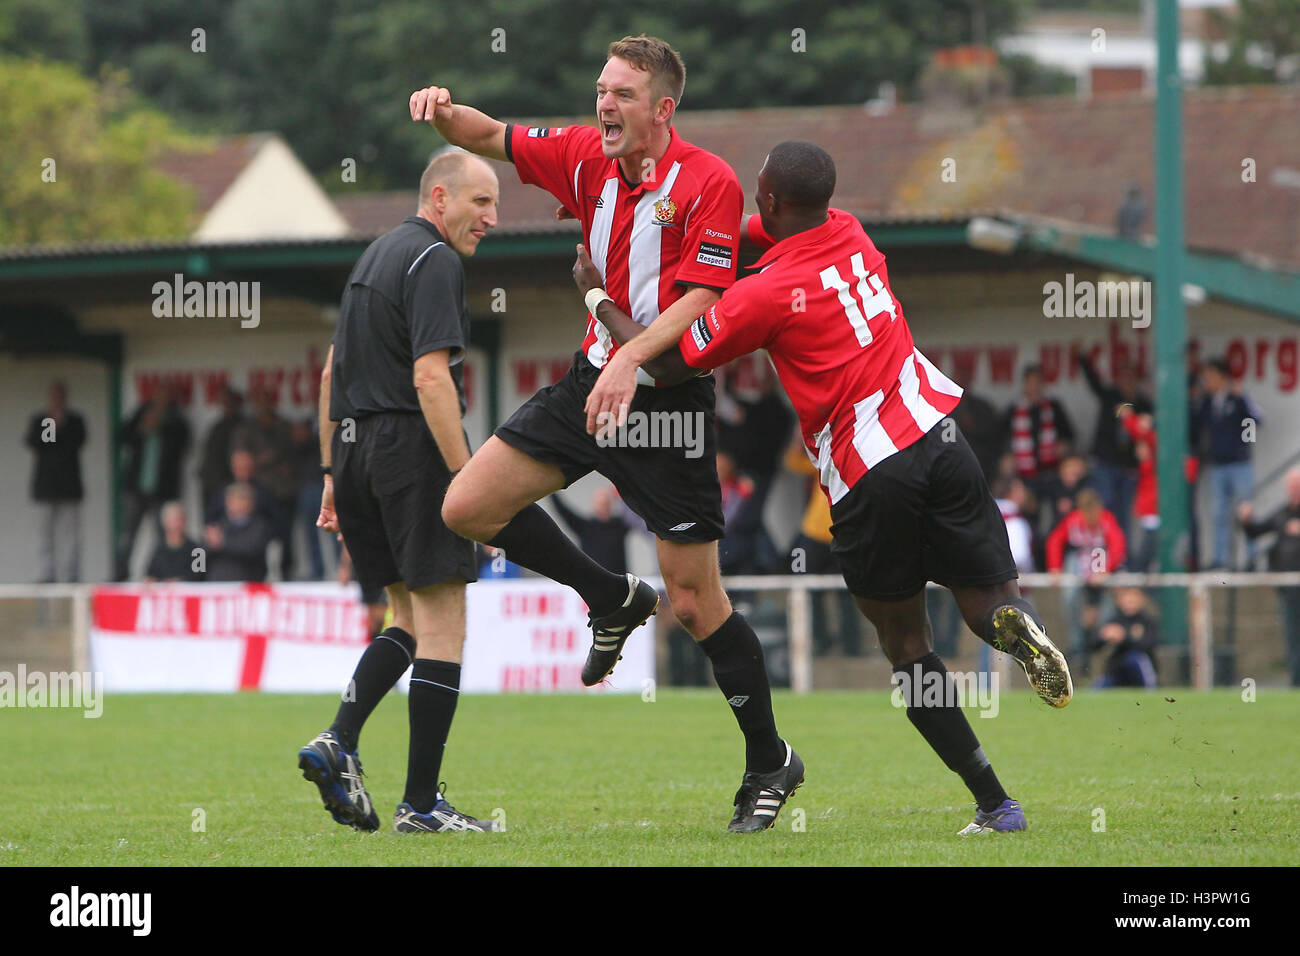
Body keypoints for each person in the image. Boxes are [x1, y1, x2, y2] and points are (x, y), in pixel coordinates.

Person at [572, 140, 1074, 836]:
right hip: (940, 433)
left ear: (769, 199)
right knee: (987, 598)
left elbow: (666, 366)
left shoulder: (764, 296)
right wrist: (696, 230)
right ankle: (1018, 628)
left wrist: (598, 297)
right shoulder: (850, 231)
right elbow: (751, 232)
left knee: (907, 647)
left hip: (873, 470)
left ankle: (997, 803)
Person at [411, 35, 802, 833]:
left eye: (621, 94)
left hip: (667, 403)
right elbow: (490, 137)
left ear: (662, 108)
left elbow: (702, 299)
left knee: (696, 603)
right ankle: (611, 598)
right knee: (467, 506)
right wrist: (444, 114)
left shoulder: (710, 183)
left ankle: (771, 762)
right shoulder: (585, 155)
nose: (603, 105)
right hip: (594, 383)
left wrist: (631, 355)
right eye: (601, 90)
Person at [299, 149, 498, 834]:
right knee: (445, 624)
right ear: (439, 197)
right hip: (409, 450)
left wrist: (330, 475)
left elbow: (328, 379)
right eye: (481, 202)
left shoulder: (372, 259)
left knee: (405, 620)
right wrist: (470, 476)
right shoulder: (435, 261)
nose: (492, 218)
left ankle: (337, 740)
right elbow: (430, 380)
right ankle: (421, 805)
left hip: (354, 453)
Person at [1192, 358, 1264, 570]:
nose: (1207, 382)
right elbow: (1194, 424)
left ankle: (1252, 558)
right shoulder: (1207, 402)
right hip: (1217, 465)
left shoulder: (1237, 398)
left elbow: (1258, 419)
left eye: (1211, 377)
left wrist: (1241, 398)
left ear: (1222, 377)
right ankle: (1220, 559)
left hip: (1240, 464)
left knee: (1245, 512)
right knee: (1219, 514)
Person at [1046, 488, 1127, 676]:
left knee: (1108, 610)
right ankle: (1078, 645)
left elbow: (1117, 545)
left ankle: (1094, 646)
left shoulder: (1106, 521)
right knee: (1069, 599)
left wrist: (1105, 571)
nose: (1090, 516)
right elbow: (1055, 541)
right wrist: (1055, 567)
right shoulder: (1073, 521)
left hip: (1100, 569)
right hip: (1080, 570)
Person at [116, 384, 191, 581]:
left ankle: (163, 575)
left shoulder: (176, 419)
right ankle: (120, 574)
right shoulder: (141, 413)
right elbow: (121, 438)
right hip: (136, 488)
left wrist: (163, 426)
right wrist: (143, 428)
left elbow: (183, 445)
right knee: (128, 535)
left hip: (162, 490)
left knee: (164, 536)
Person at [1078, 353, 1151, 542]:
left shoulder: (1143, 404)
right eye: (1123, 377)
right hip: (1105, 464)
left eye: (1131, 377)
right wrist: (1083, 357)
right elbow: (1094, 383)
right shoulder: (1110, 396)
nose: (1127, 381)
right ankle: (1104, 551)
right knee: (1105, 508)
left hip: (1128, 468)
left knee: (1124, 513)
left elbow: (1151, 431)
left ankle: (1122, 558)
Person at [1239, 467, 1300, 686]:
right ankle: (1296, 683)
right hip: (1287, 588)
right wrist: (1246, 520)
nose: (1293, 490)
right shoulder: (1282, 513)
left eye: (1297, 485)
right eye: (1291, 485)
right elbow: (1256, 532)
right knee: (1292, 637)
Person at [25, 380, 87, 583]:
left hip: (69, 485)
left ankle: (71, 574)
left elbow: (76, 442)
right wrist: (51, 423)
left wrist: (61, 426)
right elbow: (43, 443)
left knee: (71, 534)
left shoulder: (75, 420)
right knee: (44, 534)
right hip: (46, 486)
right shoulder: (42, 419)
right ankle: (46, 573)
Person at [233, 387, 297, 579]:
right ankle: (250, 573)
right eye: (259, 401)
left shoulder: (283, 425)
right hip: (256, 492)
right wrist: (263, 460)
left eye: (266, 400)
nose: (263, 406)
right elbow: (240, 456)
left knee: (284, 536)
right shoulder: (246, 428)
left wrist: (284, 463)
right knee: (253, 536)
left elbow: (294, 455)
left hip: (283, 491)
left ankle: (286, 574)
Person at [551, 486, 634, 575]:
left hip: (618, 579)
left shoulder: (619, 525)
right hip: (591, 578)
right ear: (594, 504)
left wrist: (623, 493)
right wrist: (552, 489)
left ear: (610, 505)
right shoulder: (585, 526)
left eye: (606, 503)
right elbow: (563, 510)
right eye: (601, 503)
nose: (603, 506)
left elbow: (634, 514)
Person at [203, 483, 273, 582]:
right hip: (216, 586)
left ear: (250, 503)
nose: (231, 503)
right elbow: (198, 557)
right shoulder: (219, 525)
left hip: (246, 585)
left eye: (237, 499)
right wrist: (207, 546)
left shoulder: (259, 526)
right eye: (229, 499)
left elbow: (253, 549)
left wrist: (223, 543)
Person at [1091, 587, 1159, 688]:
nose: (1130, 604)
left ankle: (1150, 688)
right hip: (1118, 670)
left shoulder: (1146, 621)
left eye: (1133, 601)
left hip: (1137, 670)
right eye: (1127, 600)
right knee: (1098, 688)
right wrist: (1103, 636)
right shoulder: (1115, 620)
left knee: (1134, 658)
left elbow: (1147, 645)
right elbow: (1094, 646)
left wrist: (1124, 637)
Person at [197, 386, 244, 511]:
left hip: (228, 482)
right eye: (224, 402)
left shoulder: (242, 425)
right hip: (210, 481)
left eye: (229, 402)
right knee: (210, 522)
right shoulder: (218, 425)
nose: (226, 405)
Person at [145, 501, 205, 582]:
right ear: (164, 522)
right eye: (172, 520)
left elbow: (201, 578)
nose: (176, 525)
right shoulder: (157, 549)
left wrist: (180, 582)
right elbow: (150, 575)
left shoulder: (198, 550)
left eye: (179, 520)